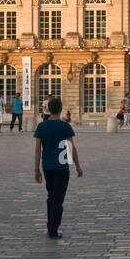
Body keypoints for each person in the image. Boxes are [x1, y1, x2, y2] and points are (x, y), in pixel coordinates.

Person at [34, 96, 82, 239]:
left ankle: (50, 226)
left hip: (47, 167)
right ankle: (53, 229)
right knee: (58, 200)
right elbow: (71, 148)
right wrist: (77, 166)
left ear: (48, 109)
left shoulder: (41, 126)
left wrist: (36, 170)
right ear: (60, 109)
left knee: (51, 196)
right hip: (62, 167)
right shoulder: (65, 126)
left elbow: (37, 150)